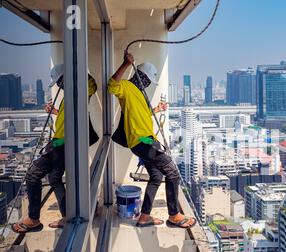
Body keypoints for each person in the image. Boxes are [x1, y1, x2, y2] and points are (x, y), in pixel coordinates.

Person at [108, 52, 196, 229]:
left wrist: (156, 109)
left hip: (146, 141)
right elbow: (111, 85)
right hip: (142, 142)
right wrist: (125, 64)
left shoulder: (139, 93)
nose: (148, 84)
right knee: (172, 173)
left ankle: (144, 217)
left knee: (156, 176)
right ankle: (174, 215)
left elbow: (140, 115)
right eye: (147, 80)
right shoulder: (126, 87)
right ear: (141, 76)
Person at [13, 65, 99, 233]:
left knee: (32, 175)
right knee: (54, 179)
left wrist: (76, 69)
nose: (59, 85)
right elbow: (69, 117)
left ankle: (33, 219)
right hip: (61, 144)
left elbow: (92, 85)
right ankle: (66, 215)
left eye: (60, 81)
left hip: (60, 146)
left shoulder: (78, 90)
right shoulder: (71, 95)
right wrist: (56, 112)